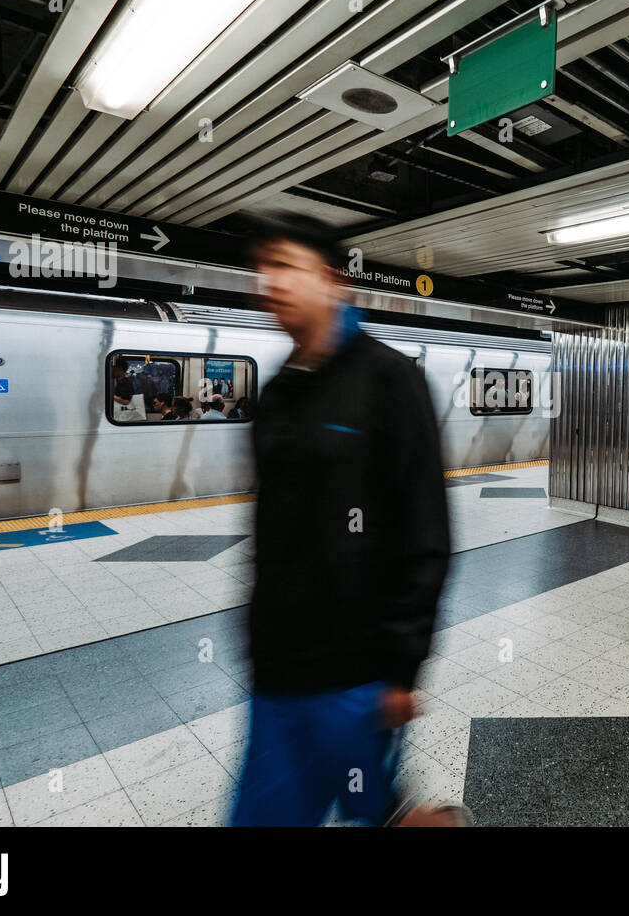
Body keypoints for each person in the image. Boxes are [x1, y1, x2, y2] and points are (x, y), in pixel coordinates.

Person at [230, 214, 466, 827]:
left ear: (331, 280)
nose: (269, 281)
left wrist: (403, 666)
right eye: (263, 268)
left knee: (369, 807)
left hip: (356, 671)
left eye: (286, 265)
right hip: (278, 669)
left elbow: (426, 531)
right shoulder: (278, 392)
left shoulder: (389, 379)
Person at [111, 357, 146, 422]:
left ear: (120, 369)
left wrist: (111, 396)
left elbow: (126, 401)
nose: (112, 370)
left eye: (114, 368)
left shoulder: (126, 383)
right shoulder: (115, 381)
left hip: (123, 418)